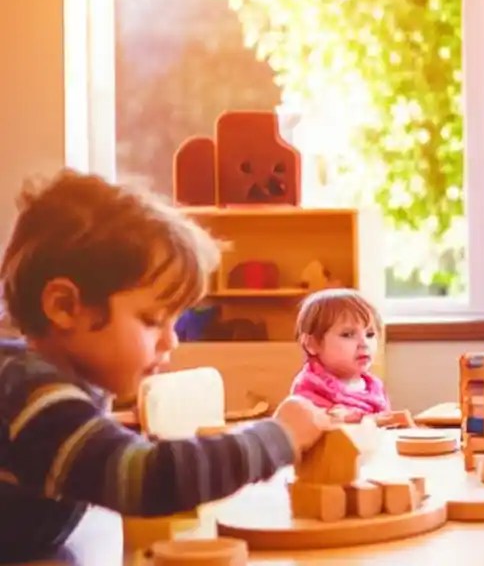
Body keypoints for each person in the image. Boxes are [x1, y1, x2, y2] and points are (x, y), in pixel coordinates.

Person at [0, 169, 329, 562]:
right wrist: (279, 438)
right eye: (151, 320)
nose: (170, 340)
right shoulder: (31, 396)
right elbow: (146, 478)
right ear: (64, 306)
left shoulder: (59, 391)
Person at [289, 288, 390, 423]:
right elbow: (310, 429)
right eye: (347, 335)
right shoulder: (311, 387)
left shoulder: (375, 387)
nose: (364, 343)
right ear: (312, 345)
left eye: (370, 334)